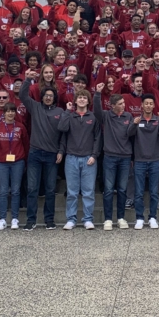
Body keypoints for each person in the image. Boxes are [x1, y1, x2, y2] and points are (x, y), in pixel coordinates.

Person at [21, 84, 67, 230]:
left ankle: (49, 220)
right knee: (32, 188)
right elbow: (22, 95)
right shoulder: (35, 107)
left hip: (52, 155)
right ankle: (31, 220)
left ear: (54, 98)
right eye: (46, 95)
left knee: (50, 189)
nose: (48, 98)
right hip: (35, 153)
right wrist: (28, 79)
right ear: (42, 97)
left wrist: (61, 151)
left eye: (51, 96)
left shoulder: (60, 111)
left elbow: (64, 134)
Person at [58, 89, 101, 230]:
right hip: (71, 157)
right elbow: (62, 129)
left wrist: (94, 155)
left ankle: (88, 219)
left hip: (89, 158)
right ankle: (71, 219)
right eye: (79, 98)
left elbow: (97, 138)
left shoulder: (93, 118)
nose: (82, 100)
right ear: (75, 101)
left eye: (84, 98)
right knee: (72, 192)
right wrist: (66, 111)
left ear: (88, 101)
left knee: (88, 191)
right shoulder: (70, 117)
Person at [93, 90, 134, 230]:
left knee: (122, 189)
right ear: (112, 106)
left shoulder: (129, 116)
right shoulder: (106, 116)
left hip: (125, 157)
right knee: (109, 189)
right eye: (120, 104)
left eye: (123, 103)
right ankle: (108, 219)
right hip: (110, 156)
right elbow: (97, 110)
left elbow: (131, 134)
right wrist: (98, 93)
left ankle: (121, 218)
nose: (123, 105)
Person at [129, 94, 159, 229]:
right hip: (139, 160)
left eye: (151, 103)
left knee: (154, 192)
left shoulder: (158, 120)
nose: (148, 105)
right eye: (146, 103)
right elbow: (129, 134)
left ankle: (153, 217)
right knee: (138, 192)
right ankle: (139, 218)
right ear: (142, 106)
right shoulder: (137, 120)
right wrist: (134, 124)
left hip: (155, 159)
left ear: (154, 105)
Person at [0, 105, 28, 230]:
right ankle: (2, 219)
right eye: (8, 111)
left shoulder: (20, 127)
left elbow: (26, 144)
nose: (10, 113)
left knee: (16, 191)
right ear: (4, 113)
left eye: (13, 111)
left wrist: (25, 161)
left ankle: (15, 219)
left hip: (17, 161)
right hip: (1, 162)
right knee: (3, 191)